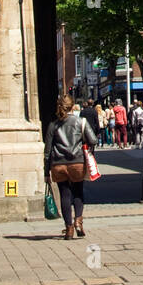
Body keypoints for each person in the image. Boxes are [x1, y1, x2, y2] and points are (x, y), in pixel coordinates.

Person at [44, 95, 98, 240]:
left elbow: (47, 152)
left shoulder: (53, 125)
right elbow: (93, 139)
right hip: (77, 162)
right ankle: (78, 221)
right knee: (78, 192)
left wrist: (46, 172)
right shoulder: (81, 122)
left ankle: (68, 228)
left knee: (64, 195)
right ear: (72, 106)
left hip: (58, 164)